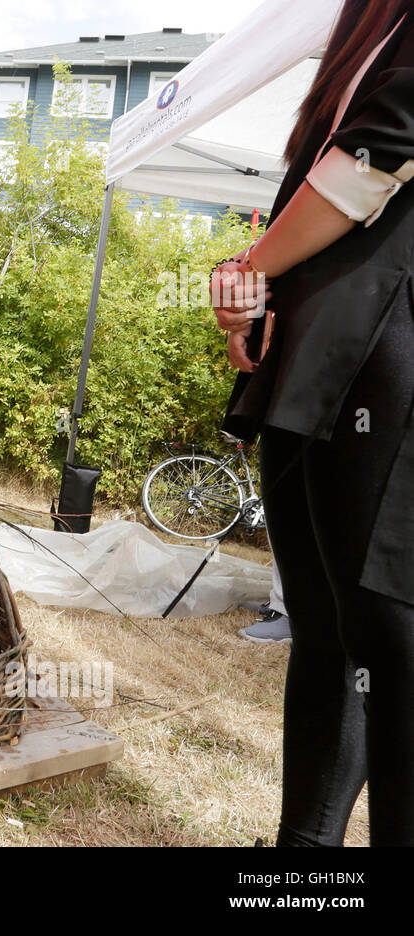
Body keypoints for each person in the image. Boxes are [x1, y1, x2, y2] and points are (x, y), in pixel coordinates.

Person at [211, 0, 414, 846]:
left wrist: (248, 269)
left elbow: (377, 155)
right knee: (326, 628)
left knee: (389, 640)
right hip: (316, 346)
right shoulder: (367, 25)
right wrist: (253, 290)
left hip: (384, 348)